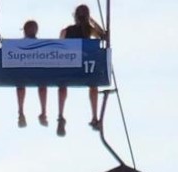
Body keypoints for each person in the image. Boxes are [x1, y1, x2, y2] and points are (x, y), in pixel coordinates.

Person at [57, 5, 107, 136]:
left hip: (75, 65)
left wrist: (90, 21)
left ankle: (61, 116)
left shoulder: (74, 30)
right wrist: (91, 21)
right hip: (83, 65)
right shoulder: (82, 30)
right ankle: (93, 117)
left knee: (64, 85)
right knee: (92, 85)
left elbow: (59, 46)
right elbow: (102, 35)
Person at [6, 20, 49, 128]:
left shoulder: (17, 45)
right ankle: (41, 112)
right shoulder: (42, 45)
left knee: (24, 83)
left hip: (27, 74)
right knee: (40, 84)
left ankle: (24, 112)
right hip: (33, 74)